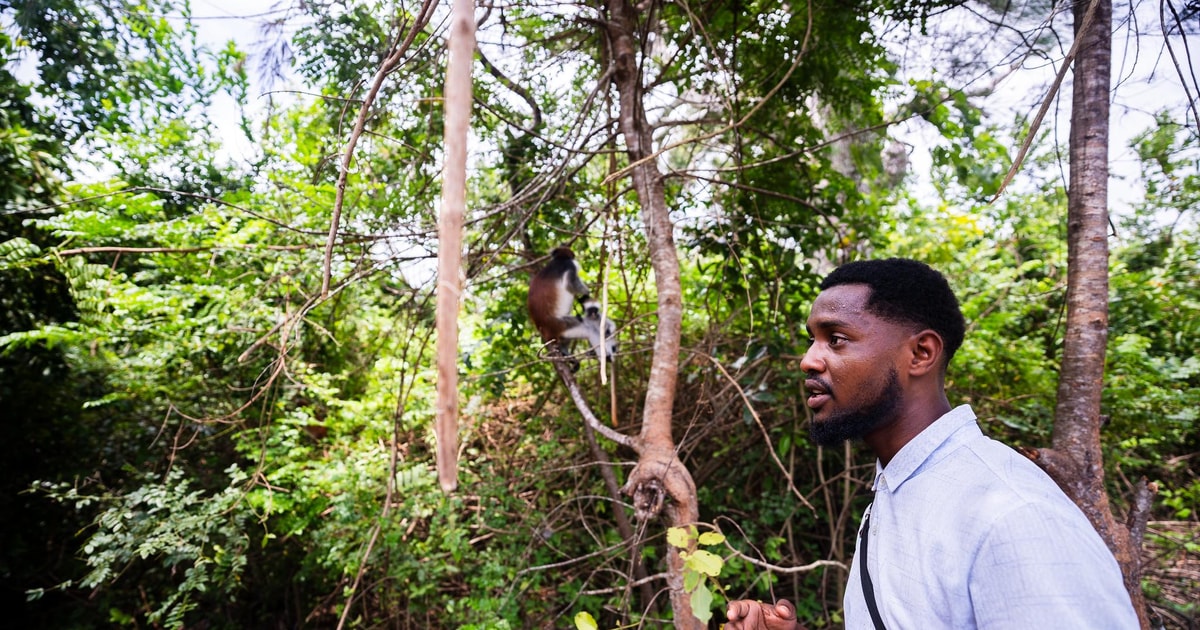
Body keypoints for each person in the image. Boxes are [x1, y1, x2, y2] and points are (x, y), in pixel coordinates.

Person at [725, 258, 1139, 629]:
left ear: (921, 353)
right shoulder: (899, 485)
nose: (808, 360)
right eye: (812, 339)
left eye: (835, 338)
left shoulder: (1013, 513)